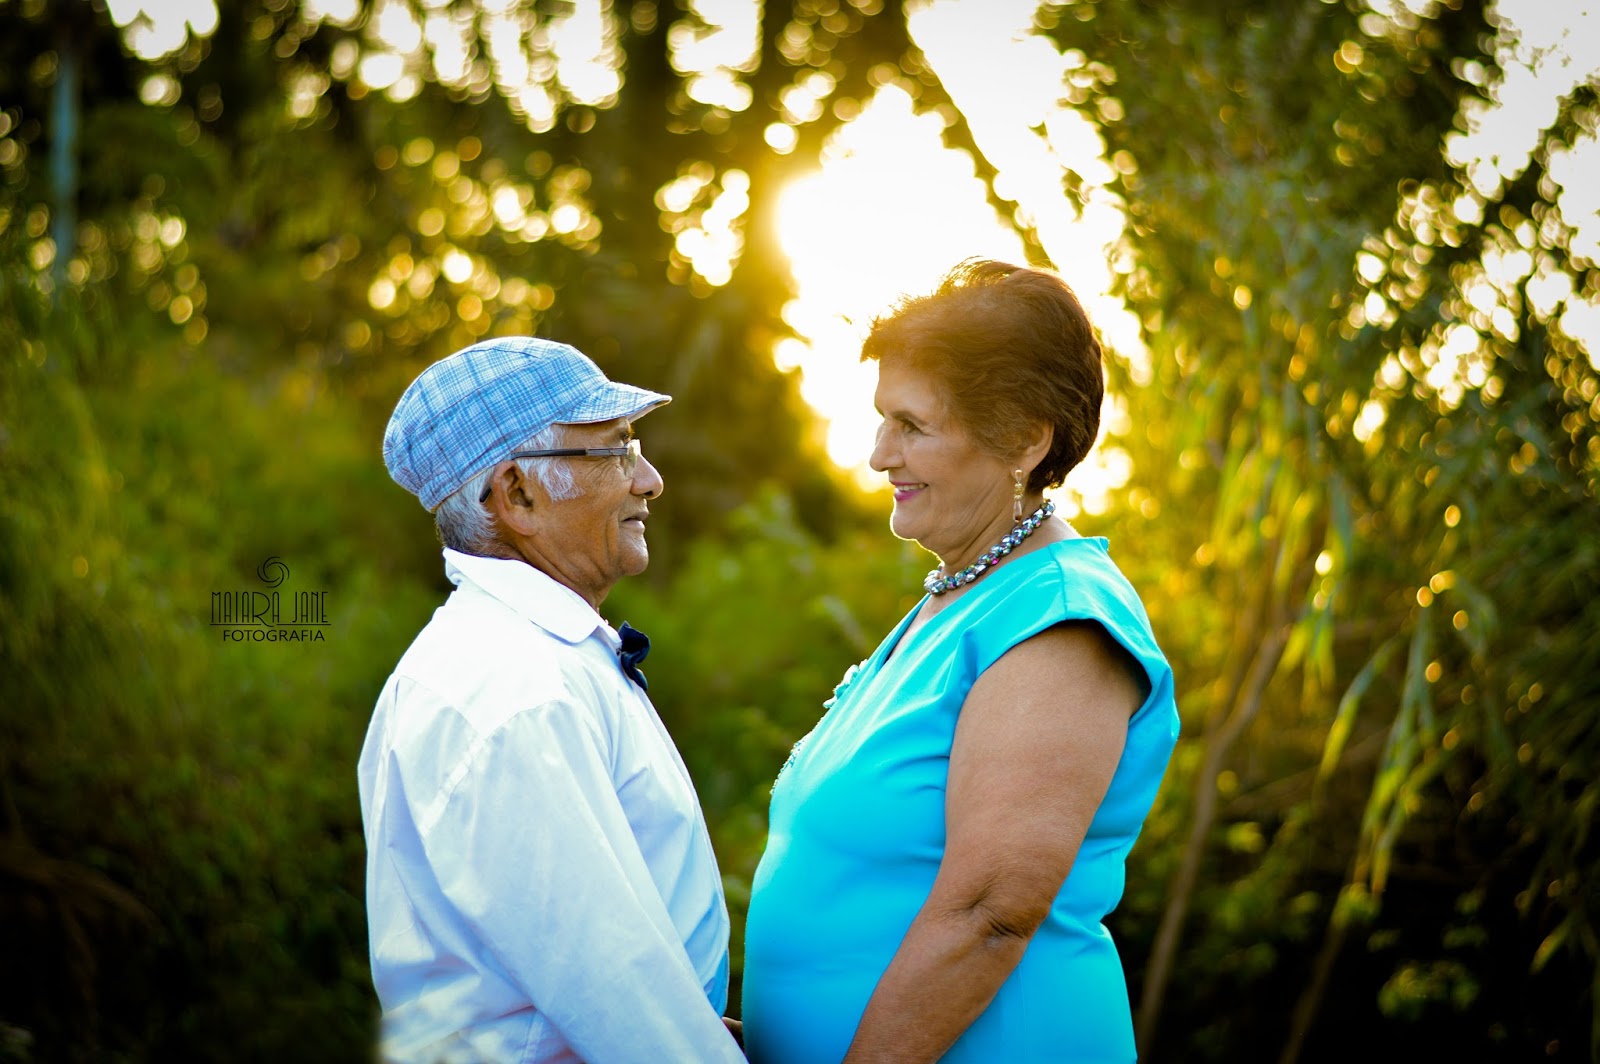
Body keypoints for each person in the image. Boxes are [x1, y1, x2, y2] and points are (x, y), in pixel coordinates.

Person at [742, 260, 1180, 1063]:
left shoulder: (1059, 617)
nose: (879, 455)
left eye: (910, 425)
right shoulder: (957, 598)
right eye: (882, 421)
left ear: (1023, 438)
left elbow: (990, 912)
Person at [359, 336, 746, 1063]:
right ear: (517, 495)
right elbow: (615, 984)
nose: (651, 479)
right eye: (617, 450)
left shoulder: (527, 657)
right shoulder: (515, 691)